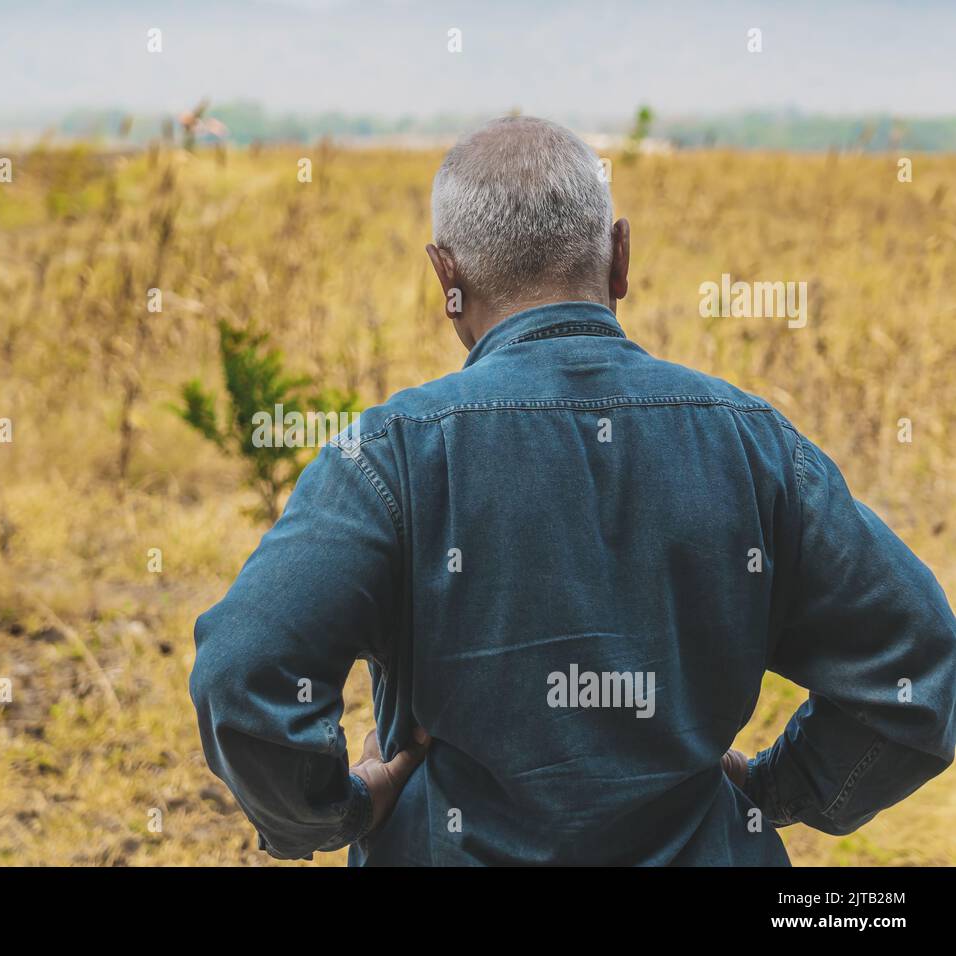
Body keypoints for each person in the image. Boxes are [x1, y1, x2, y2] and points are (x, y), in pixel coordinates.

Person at [189, 116, 956, 865]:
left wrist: (336, 810)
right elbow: (916, 664)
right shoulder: (754, 445)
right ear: (620, 256)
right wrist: (777, 789)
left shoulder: (391, 457)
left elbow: (245, 670)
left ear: (446, 277)